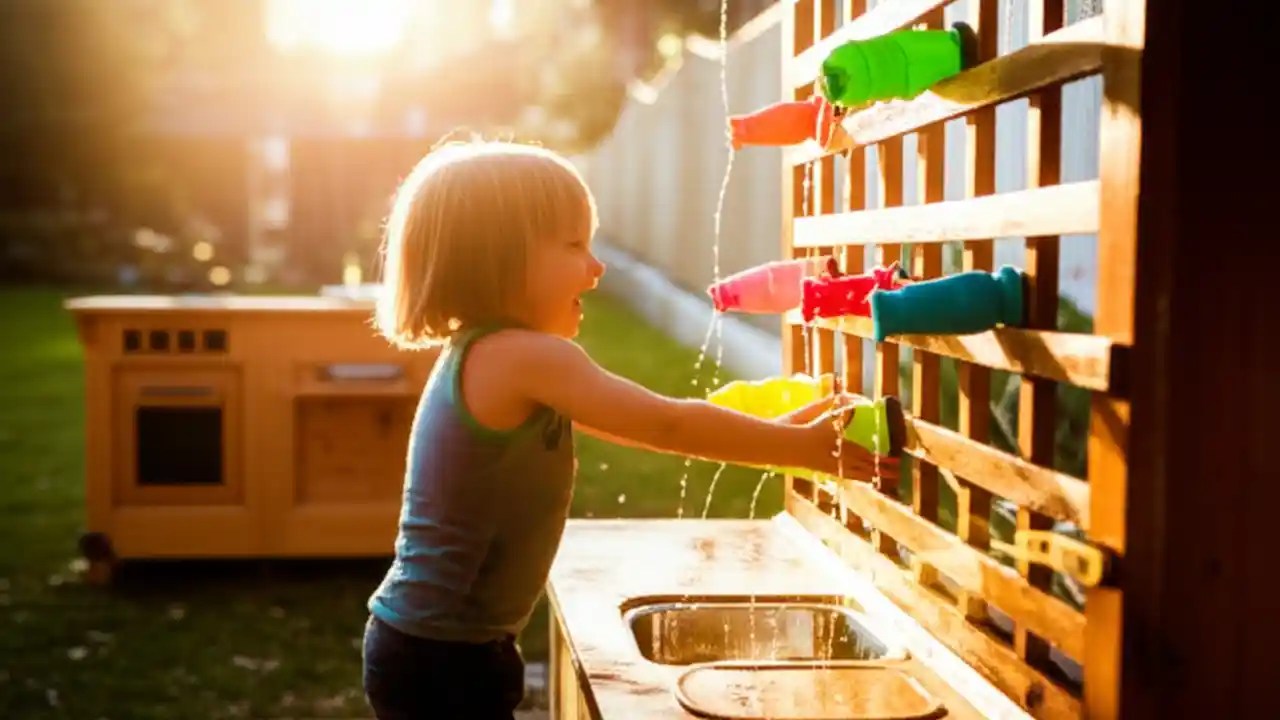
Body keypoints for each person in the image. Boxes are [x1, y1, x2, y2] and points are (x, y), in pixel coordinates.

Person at [361, 139, 899, 719]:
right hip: (441, 657)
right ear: (499, 258)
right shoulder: (521, 357)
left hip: (442, 645)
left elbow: (639, 425)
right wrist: (798, 447)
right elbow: (664, 423)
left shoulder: (491, 356)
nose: (596, 267)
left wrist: (775, 435)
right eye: (573, 245)